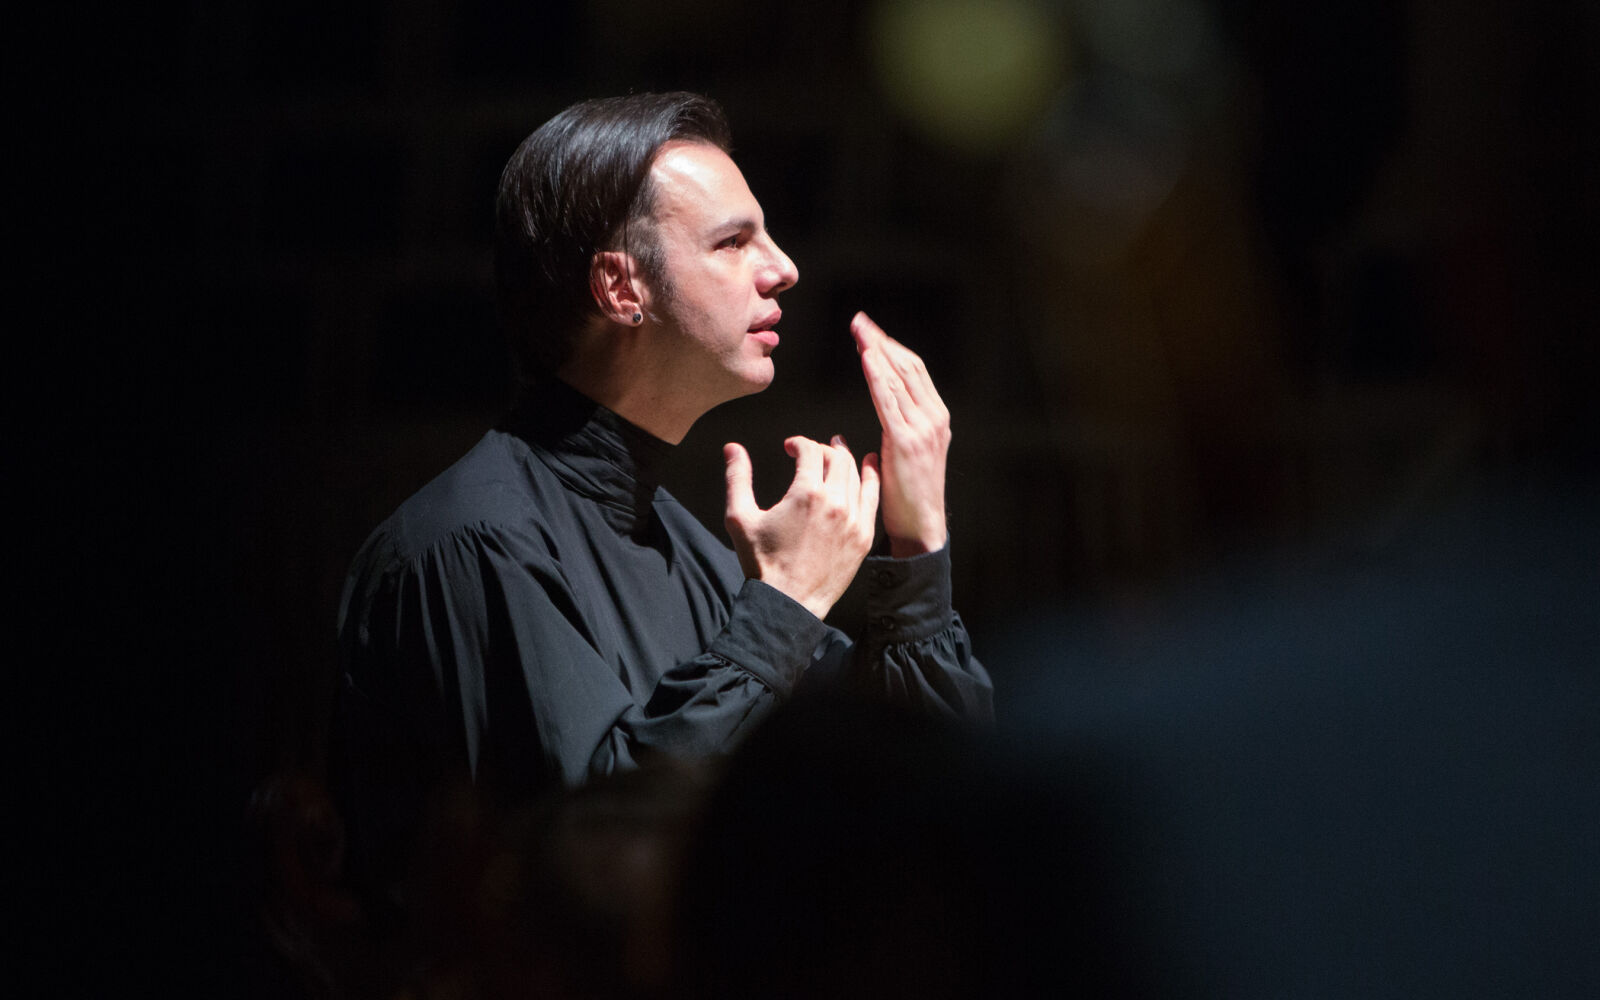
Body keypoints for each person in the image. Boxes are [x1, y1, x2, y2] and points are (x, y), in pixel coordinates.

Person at [331, 92, 992, 923]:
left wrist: (917, 538)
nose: (783, 266)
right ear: (621, 286)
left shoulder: (682, 543)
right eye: (733, 242)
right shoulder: (474, 542)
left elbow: (925, 786)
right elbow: (594, 869)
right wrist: (786, 603)